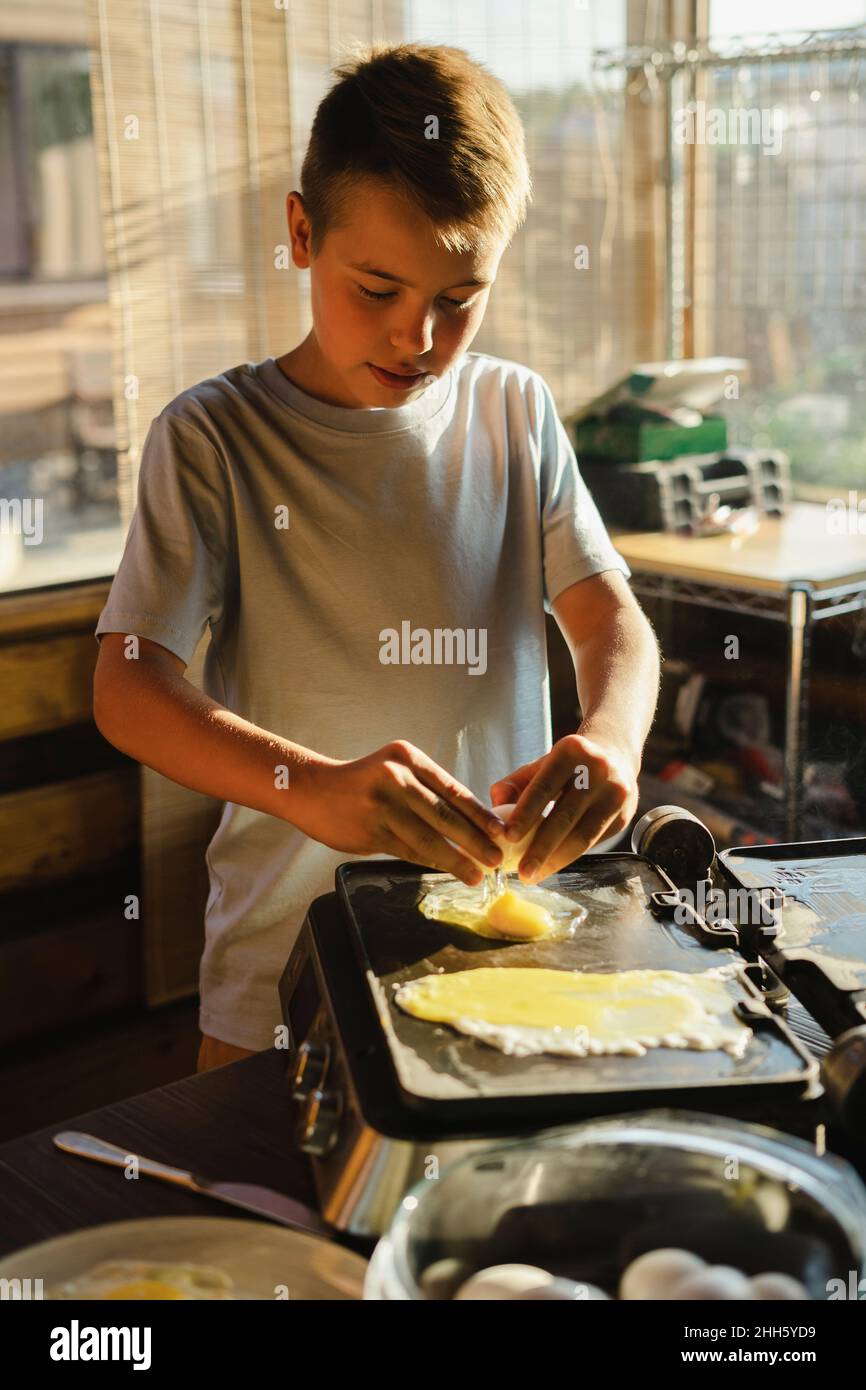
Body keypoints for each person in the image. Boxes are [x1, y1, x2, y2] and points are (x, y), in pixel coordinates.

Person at [93, 42, 660, 1074]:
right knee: (261, 1219)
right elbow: (128, 686)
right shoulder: (214, 436)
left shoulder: (513, 413)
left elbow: (606, 613)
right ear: (301, 234)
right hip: (281, 958)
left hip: (495, 941)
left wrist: (612, 739)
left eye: (459, 297)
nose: (418, 335)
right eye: (379, 287)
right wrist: (305, 785)